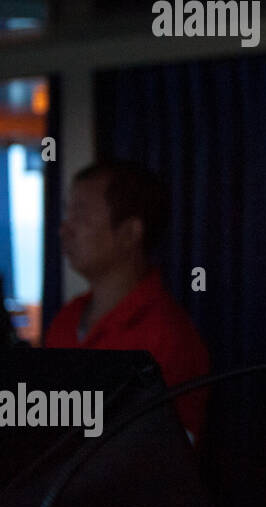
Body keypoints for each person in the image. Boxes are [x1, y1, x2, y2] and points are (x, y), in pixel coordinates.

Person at [43, 160, 210, 445]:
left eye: (81, 217)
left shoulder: (167, 336)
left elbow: (166, 459)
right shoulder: (67, 318)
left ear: (130, 233)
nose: (64, 230)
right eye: (65, 214)